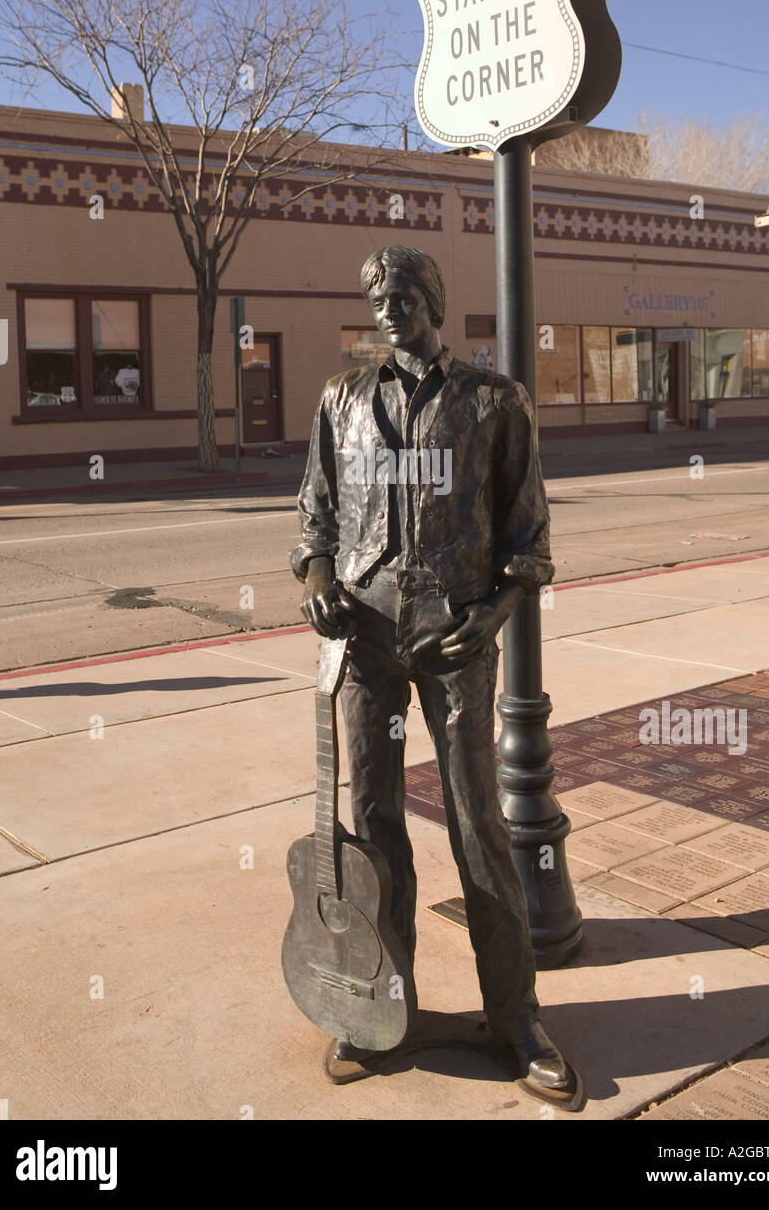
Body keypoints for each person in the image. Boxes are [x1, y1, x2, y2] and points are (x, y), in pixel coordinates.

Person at [290, 244, 578, 1101]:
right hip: (366, 640)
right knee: (371, 827)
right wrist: (315, 582)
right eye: (375, 295)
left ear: (434, 301)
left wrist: (486, 619)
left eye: (402, 293)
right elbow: (315, 514)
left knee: (476, 826)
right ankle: (381, 1007)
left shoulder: (492, 401)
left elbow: (530, 544)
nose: (386, 308)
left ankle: (515, 1016)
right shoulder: (340, 398)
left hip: (454, 640)